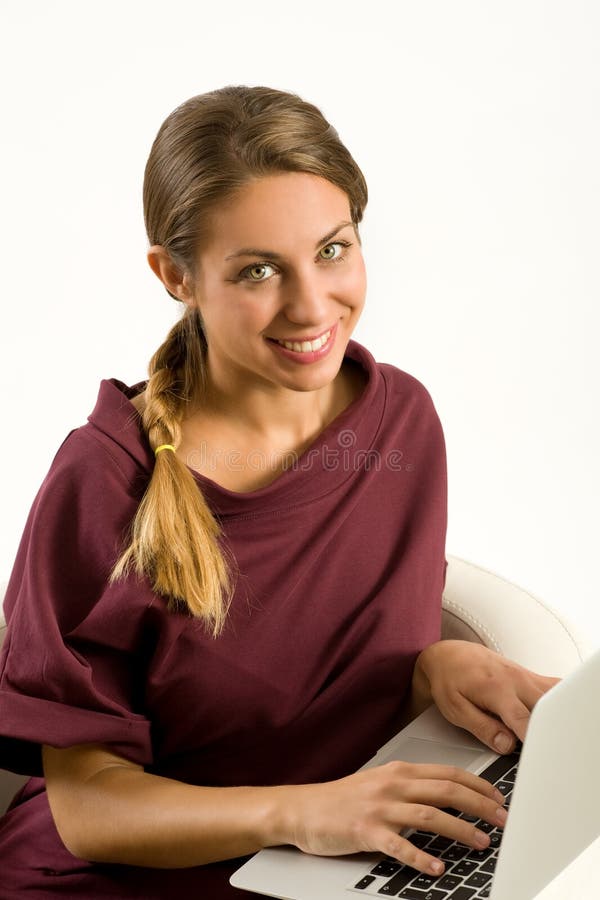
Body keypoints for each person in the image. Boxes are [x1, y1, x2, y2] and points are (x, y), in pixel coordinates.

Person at [0, 85, 558, 899]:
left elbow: (299, 675)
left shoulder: (400, 423)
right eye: (258, 270)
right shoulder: (103, 483)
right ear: (175, 277)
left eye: (332, 250)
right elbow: (89, 810)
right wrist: (306, 815)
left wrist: (430, 668)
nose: (310, 306)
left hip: (330, 858)